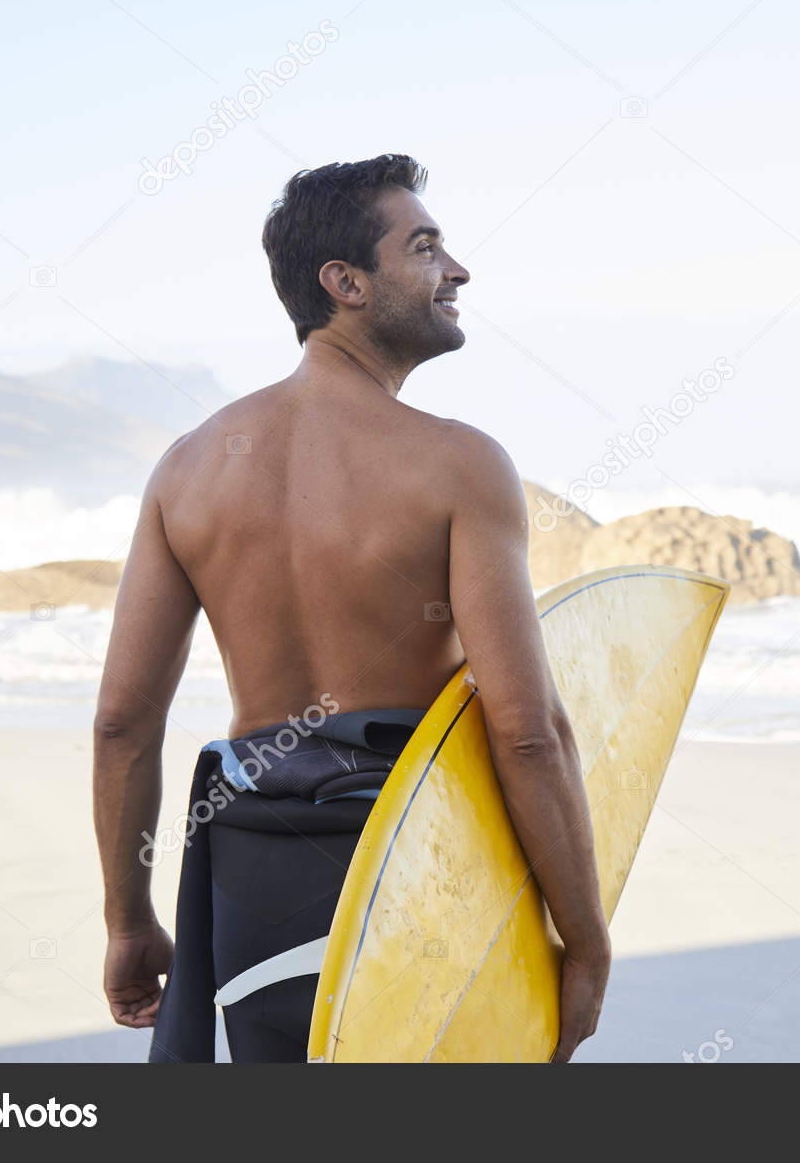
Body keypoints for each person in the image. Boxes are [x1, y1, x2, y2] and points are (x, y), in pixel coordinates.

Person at [90, 154, 610, 1063]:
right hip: (416, 857)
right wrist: (587, 940)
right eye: (426, 247)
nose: (457, 271)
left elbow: (121, 723)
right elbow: (527, 729)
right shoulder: (457, 462)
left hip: (251, 868)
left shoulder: (187, 467)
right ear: (346, 283)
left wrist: (127, 921)